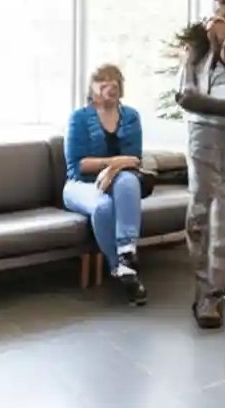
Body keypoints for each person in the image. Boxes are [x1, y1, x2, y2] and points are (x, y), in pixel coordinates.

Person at [175, 12, 225, 329]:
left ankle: (216, 294)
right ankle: (204, 293)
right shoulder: (196, 50)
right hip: (204, 140)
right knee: (201, 216)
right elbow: (186, 97)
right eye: (224, 2)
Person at [62, 63, 148, 305]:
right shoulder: (79, 118)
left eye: (115, 80)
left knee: (129, 180)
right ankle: (122, 269)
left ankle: (126, 252)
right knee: (102, 207)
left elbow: (135, 160)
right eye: (102, 81)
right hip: (79, 185)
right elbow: (78, 165)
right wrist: (113, 163)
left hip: (118, 180)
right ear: (91, 87)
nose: (109, 85)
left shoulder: (131, 116)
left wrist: (116, 169)